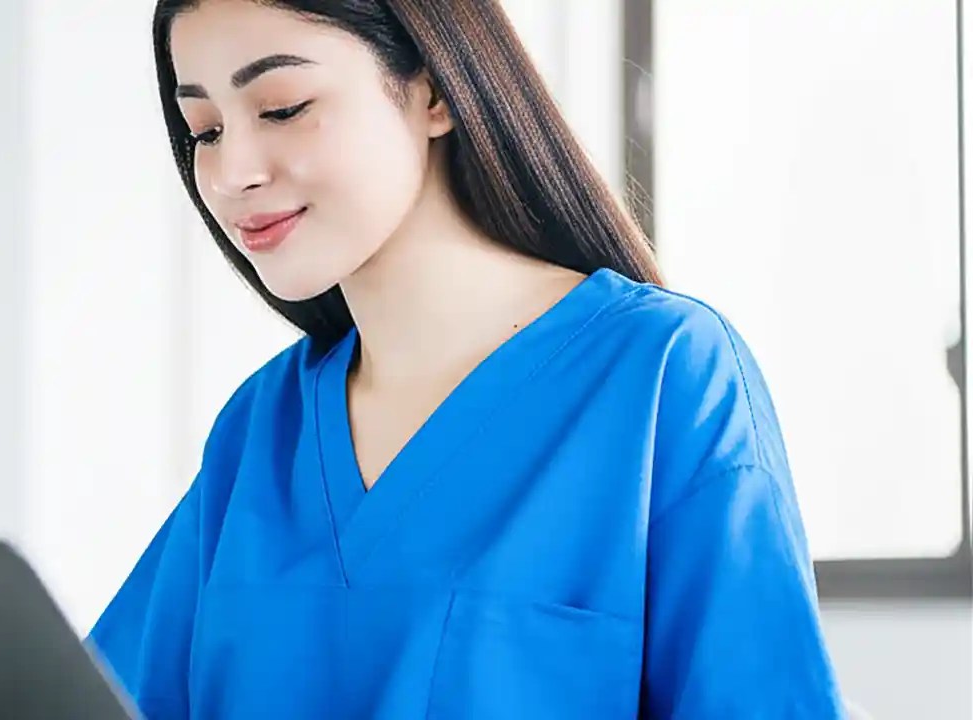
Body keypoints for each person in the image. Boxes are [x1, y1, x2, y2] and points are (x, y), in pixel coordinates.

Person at [87, 1, 846, 717]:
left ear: (435, 92)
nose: (231, 173)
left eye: (283, 108)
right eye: (205, 130)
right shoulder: (261, 431)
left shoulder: (662, 376)